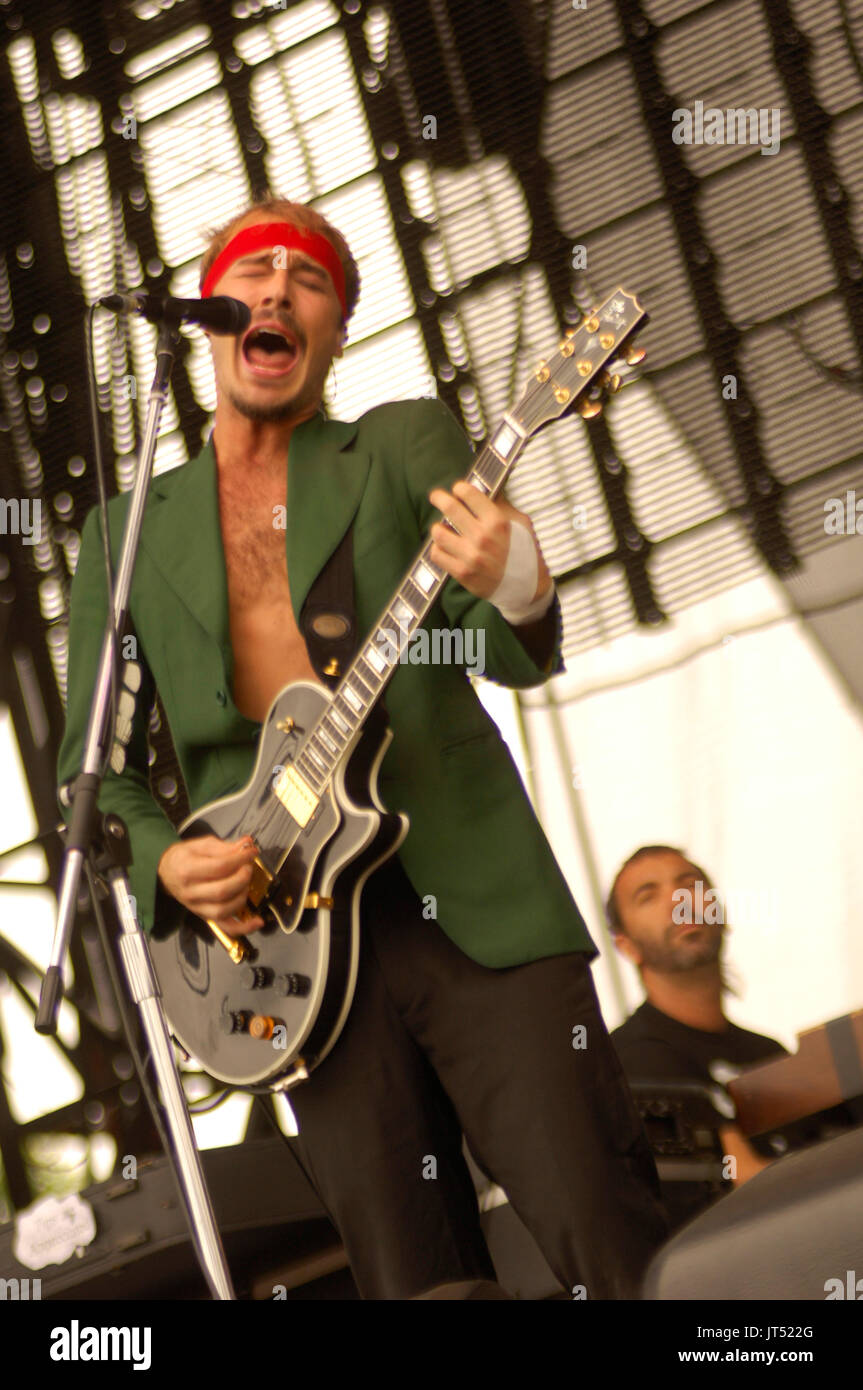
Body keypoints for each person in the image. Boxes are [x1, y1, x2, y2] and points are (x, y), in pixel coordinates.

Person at [58, 195, 669, 1299]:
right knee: (410, 1280)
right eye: (255, 269)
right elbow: (90, 770)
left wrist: (515, 579)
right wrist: (162, 859)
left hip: (466, 903)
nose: (281, 288)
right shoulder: (125, 532)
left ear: (335, 331)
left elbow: (505, 647)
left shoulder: (398, 440)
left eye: (313, 280)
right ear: (209, 316)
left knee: (600, 1227)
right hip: (284, 959)